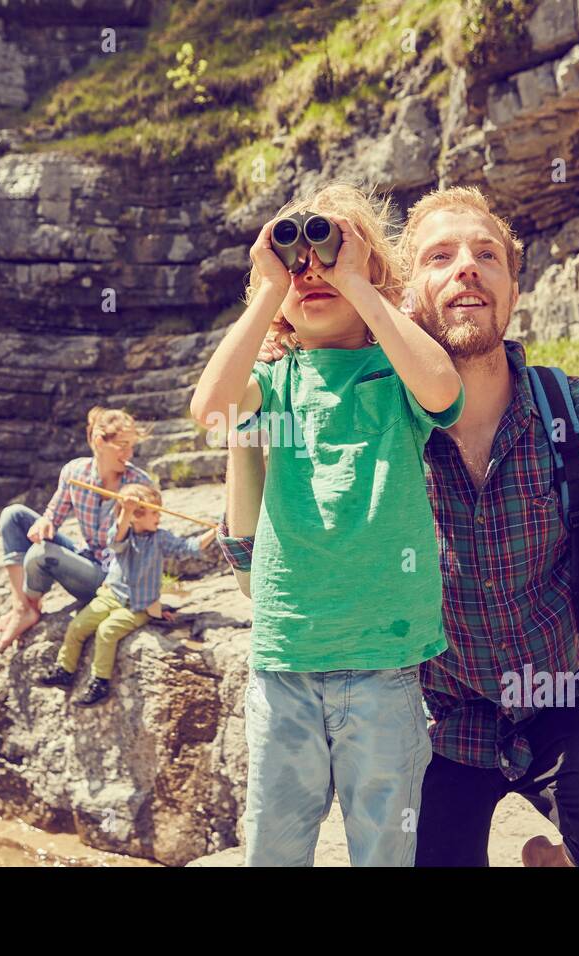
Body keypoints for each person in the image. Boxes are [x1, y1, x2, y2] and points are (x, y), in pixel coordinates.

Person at [217, 185, 579, 867]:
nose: (467, 267)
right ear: (400, 298)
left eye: (487, 255)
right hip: (437, 726)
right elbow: (250, 570)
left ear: (513, 287)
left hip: (565, 706)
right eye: (439, 256)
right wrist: (248, 429)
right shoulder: (365, 423)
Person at [190, 181, 465, 867]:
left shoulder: (395, 374)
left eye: (332, 251)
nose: (312, 271)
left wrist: (359, 281)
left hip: (386, 663)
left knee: (384, 850)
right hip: (286, 661)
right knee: (276, 849)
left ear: (372, 270)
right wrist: (266, 288)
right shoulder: (277, 385)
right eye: (298, 259)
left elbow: (443, 388)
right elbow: (210, 409)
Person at [0, 407, 157, 656]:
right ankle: (22, 608)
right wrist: (45, 523)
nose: (129, 453)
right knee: (13, 515)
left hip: (110, 579)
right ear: (99, 442)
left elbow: (149, 545)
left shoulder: (139, 484)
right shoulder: (74, 472)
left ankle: (28, 609)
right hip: (86, 558)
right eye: (122, 445)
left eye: (131, 446)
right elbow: (52, 515)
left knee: (41, 554)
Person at [39, 484, 217, 705]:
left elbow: (188, 547)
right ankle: (65, 670)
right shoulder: (124, 534)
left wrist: (215, 531)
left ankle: (100, 683)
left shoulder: (159, 538)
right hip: (111, 595)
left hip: (140, 606)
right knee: (77, 626)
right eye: (154, 512)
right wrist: (126, 511)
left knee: (107, 631)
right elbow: (115, 542)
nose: (158, 516)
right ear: (135, 516)